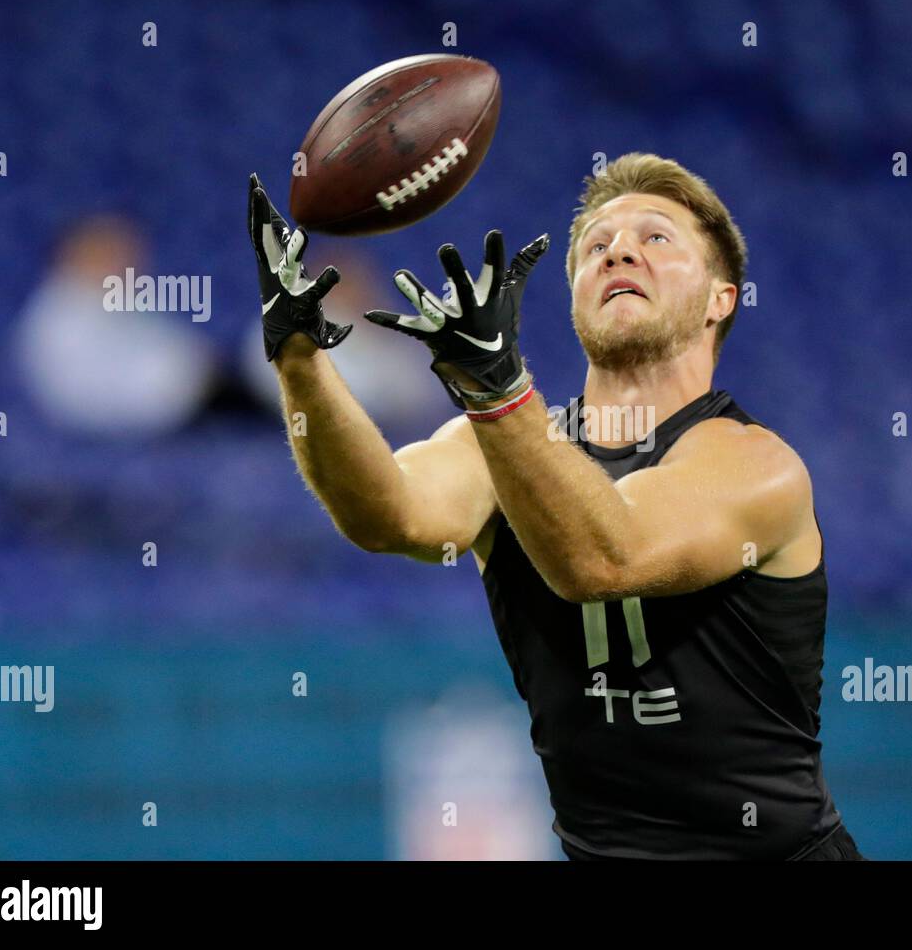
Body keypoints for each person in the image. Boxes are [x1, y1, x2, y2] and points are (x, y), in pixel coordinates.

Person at [246, 153, 865, 860]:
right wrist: (298, 357)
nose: (619, 250)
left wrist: (496, 390)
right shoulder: (498, 447)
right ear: (571, 293)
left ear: (722, 298)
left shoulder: (756, 466)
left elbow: (606, 557)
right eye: (596, 245)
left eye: (656, 237)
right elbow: (385, 514)